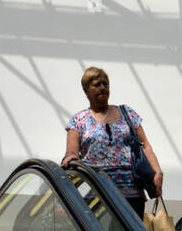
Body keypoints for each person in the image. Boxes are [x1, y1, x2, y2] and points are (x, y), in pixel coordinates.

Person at [62, 66, 163, 219]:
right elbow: (72, 152)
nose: (102, 88)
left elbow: (146, 145)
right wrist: (70, 159)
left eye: (105, 84)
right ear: (86, 90)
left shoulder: (127, 113)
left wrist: (157, 173)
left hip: (132, 195)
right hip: (97, 196)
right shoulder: (78, 120)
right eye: (97, 85)